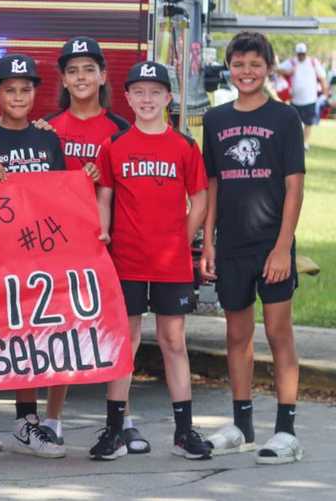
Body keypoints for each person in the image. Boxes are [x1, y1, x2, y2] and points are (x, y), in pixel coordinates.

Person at [90, 61, 211, 461]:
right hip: (126, 259)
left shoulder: (183, 147)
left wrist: (183, 233)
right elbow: (105, 196)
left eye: (155, 92)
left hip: (169, 260)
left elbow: (200, 197)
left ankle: (184, 432)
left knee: (172, 341)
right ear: (126, 98)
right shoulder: (115, 146)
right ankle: (114, 431)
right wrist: (103, 235)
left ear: (168, 98)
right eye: (139, 92)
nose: (146, 99)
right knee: (125, 342)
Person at [201, 32, 306, 465]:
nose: (247, 71)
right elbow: (211, 183)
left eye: (255, 64)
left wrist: (282, 247)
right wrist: (207, 242)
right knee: (236, 335)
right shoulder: (215, 119)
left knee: (279, 334)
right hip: (232, 246)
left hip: (271, 245)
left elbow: (294, 188)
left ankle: (286, 431)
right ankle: (242, 426)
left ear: (268, 68)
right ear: (229, 67)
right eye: (239, 63)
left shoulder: (285, 118)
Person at [0, 53, 68, 464]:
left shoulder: (47, 139)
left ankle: (26, 424)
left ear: (35, 93)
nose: (19, 96)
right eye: (10, 90)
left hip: (36, 256)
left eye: (26, 90)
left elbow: (61, 198)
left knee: (29, 340)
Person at [40, 37, 130, 448]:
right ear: (62, 78)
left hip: (107, 246)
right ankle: (52, 419)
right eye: (72, 70)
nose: (80, 77)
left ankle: (120, 420)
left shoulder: (120, 130)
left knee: (113, 332)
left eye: (88, 69)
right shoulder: (46, 129)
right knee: (63, 331)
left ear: (103, 76)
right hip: (60, 249)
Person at [276, 41, 328, 150]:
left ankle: (304, 143)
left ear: (306, 53)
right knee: (294, 123)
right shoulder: (292, 62)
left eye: (302, 54)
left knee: (309, 122)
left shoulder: (313, 62)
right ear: (296, 53)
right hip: (295, 99)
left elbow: (323, 78)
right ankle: (296, 142)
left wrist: (325, 94)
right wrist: (288, 71)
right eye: (299, 54)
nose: (301, 56)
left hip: (310, 99)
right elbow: (277, 69)